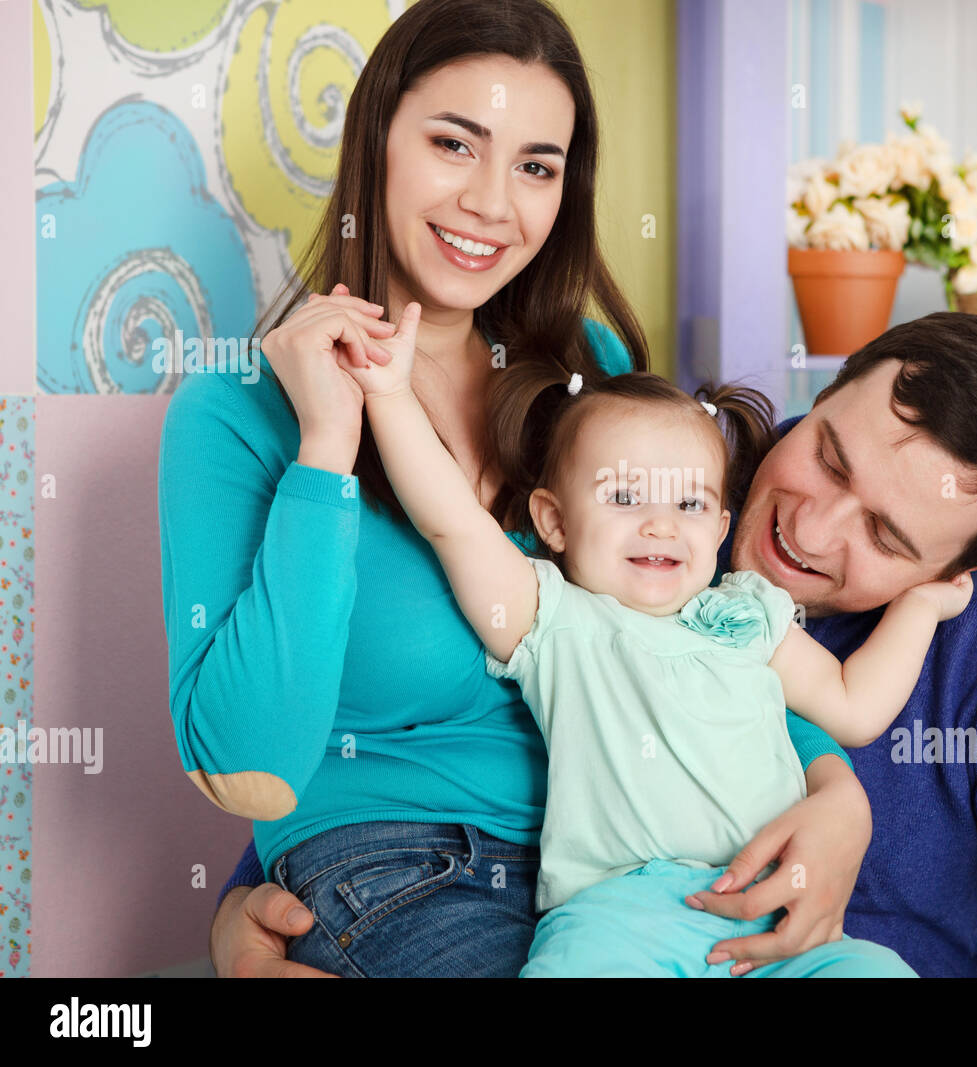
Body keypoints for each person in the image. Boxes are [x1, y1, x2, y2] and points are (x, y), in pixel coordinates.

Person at [160, 0, 870, 980]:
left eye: (535, 165)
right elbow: (250, 765)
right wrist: (327, 446)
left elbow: (675, 627)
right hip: (398, 870)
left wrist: (837, 789)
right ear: (376, 144)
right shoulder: (237, 418)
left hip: (619, 874)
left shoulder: (591, 370)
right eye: (456, 143)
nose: (494, 203)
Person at [210, 311, 977, 977]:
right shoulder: (649, 523)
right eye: (825, 453)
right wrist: (246, 912)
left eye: (886, 537)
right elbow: (415, 778)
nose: (809, 533)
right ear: (821, 392)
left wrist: (839, 801)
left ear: (954, 576)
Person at [327, 303, 976, 975]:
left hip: (766, 916)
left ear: (720, 527)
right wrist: (391, 394)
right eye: (624, 497)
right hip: (618, 919)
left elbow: (856, 704)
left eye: (688, 503)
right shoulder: (553, 618)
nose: (660, 525)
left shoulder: (747, 618)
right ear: (554, 520)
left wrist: (922, 607)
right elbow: (452, 523)